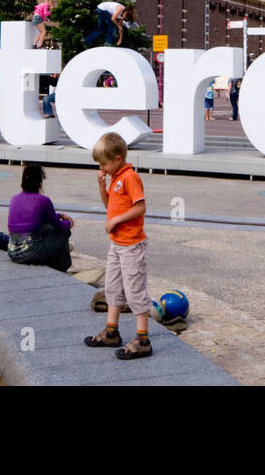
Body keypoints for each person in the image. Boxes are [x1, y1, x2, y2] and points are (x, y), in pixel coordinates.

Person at [84, 131, 152, 360]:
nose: (101, 168)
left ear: (118, 159)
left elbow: (140, 207)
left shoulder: (130, 177)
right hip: (116, 243)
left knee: (135, 291)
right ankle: (111, 331)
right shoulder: (115, 177)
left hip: (131, 245)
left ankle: (143, 340)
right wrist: (101, 186)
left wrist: (116, 221)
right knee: (112, 287)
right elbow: (110, 205)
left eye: (104, 164)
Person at [7, 164, 75, 272]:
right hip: (30, 252)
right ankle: (61, 269)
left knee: (47, 227)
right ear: (40, 182)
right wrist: (69, 223)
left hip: (12, 251)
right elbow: (58, 226)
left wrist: (58, 216)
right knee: (63, 232)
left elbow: (38, 218)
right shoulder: (43, 200)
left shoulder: (14, 198)